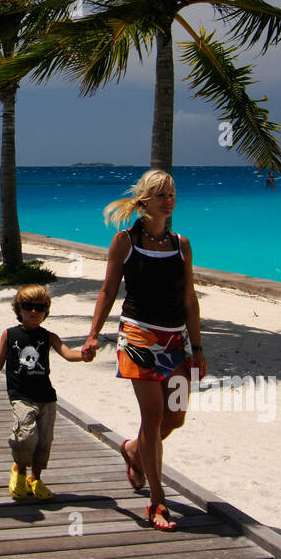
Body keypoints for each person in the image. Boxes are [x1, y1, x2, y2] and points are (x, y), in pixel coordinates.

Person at [81, 169, 206, 531]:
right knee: (152, 418)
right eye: (163, 195)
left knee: (176, 417)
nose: (170, 200)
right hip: (137, 337)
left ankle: (134, 450)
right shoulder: (125, 241)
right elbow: (107, 291)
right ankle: (157, 502)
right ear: (146, 201)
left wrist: (196, 347)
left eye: (173, 194)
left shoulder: (181, 244)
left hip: (174, 340)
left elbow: (189, 298)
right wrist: (93, 334)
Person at [0, 285, 89, 501]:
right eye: (28, 307)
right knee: (25, 436)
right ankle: (19, 470)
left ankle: (35, 478)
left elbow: (67, 353)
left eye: (40, 307)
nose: (34, 312)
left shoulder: (48, 336)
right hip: (21, 396)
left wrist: (83, 355)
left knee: (44, 442)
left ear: (46, 311)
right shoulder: (10, 335)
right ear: (19, 309)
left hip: (46, 396)